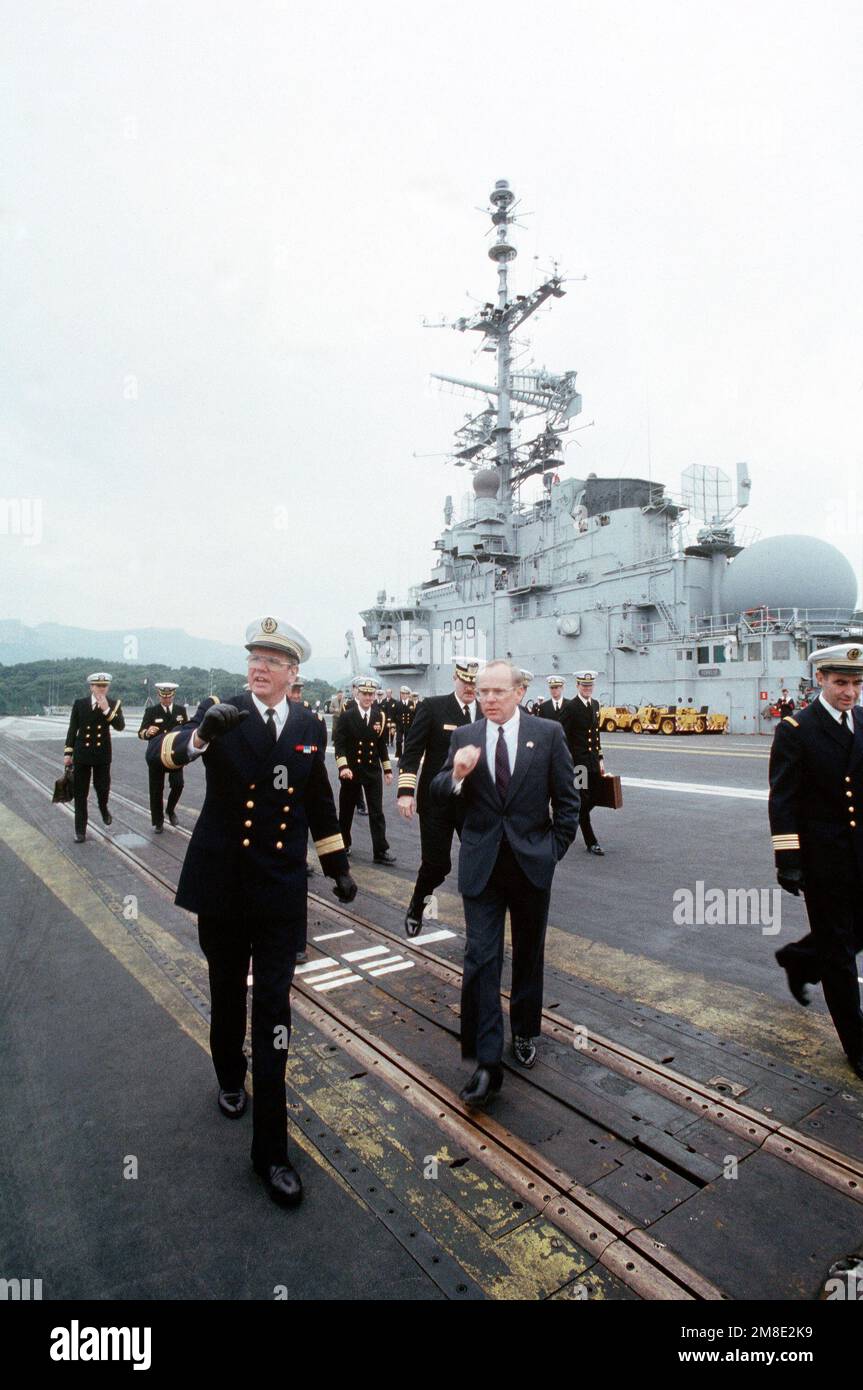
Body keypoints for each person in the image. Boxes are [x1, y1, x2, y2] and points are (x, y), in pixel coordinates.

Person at [147, 616, 356, 1208]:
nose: (258, 667)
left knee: (273, 1010)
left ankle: (271, 1154)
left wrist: (337, 864)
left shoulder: (311, 724)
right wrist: (202, 737)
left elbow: (317, 800)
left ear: (294, 673)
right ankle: (227, 1074)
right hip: (223, 884)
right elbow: (159, 757)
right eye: (253, 658)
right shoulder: (222, 710)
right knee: (225, 993)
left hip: (278, 891)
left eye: (271, 661)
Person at [430, 660, 579, 1108]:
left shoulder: (548, 734)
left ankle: (527, 1030)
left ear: (518, 692)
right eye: (482, 692)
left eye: (498, 691)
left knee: (529, 954)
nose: (489, 699)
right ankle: (486, 1062)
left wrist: (551, 853)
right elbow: (437, 795)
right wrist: (455, 774)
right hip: (483, 867)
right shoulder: (464, 737)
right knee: (480, 957)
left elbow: (568, 802)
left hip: (531, 865)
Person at [769, 642, 863, 1081]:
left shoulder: (862, 721)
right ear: (820, 680)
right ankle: (856, 1046)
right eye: (841, 682)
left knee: (845, 938)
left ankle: (801, 959)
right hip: (822, 861)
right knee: (841, 953)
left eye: (857, 683)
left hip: (860, 853)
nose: (850, 692)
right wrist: (788, 858)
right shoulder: (796, 729)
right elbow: (783, 798)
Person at [398, 661, 479, 936]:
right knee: (437, 865)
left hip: (474, 803)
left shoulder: (486, 712)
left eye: (474, 682)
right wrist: (406, 792)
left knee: (479, 863)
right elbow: (411, 751)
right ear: (455, 677)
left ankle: (478, 927)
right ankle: (417, 906)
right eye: (465, 680)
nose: (470, 687)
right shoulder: (433, 707)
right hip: (437, 801)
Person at [334, 677, 396, 863]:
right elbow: (340, 744)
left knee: (377, 812)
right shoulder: (347, 716)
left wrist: (387, 769)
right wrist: (343, 767)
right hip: (351, 770)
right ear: (358, 694)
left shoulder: (380, 716)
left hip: (371, 770)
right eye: (365, 694)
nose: (368, 697)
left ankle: (380, 851)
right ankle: (343, 844)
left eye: (371, 694)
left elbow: (381, 745)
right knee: (346, 811)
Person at [64, 672, 125, 842]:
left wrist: (106, 709)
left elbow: (120, 726)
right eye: (98, 686)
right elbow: (72, 729)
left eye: (104, 686)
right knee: (80, 793)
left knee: (102, 788)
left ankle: (103, 808)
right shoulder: (80, 704)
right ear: (91, 687)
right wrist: (68, 753)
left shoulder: (114, 704)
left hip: (102, 754)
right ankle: (80, 830)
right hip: (82, 753)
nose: (101, 689)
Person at [561, 670, 606, 856]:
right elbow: (562, 736)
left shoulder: (595, 704)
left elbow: (596, 735)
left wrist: (601, 758)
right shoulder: (571, 707)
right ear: (578, 686)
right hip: (578, 764)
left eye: (590, 686)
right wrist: (566, 761)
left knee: (595, 796)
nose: (588, 689)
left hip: (593, 761)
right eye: (584, 685)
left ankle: (570, 816)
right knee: (584, 798)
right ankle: (591, 841)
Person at [138, 681, 188, 832]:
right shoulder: (151, 711)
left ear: (173, 695)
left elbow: (186, 729)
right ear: (159, 695)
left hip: (174, 755)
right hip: (156, 755)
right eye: (163, 696)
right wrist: (147, 733)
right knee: (156, 789)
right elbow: (141, 732)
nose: (166, 699)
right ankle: (158, 821)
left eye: (169, 696)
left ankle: (170, 810)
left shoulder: (180, 711)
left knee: (178, 784)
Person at [395, 685, 415, 759]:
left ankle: (406, 756)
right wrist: (393, 727)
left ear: (408, 694)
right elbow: (394, 715)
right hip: (400, 725)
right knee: (398, 741)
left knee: (408, 742)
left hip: (408, 726)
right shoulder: (397, 704)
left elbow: (414, 715)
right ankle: (399, 756)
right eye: (402, 693)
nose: (403, 695)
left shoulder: (412, 704)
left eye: (405, 694)